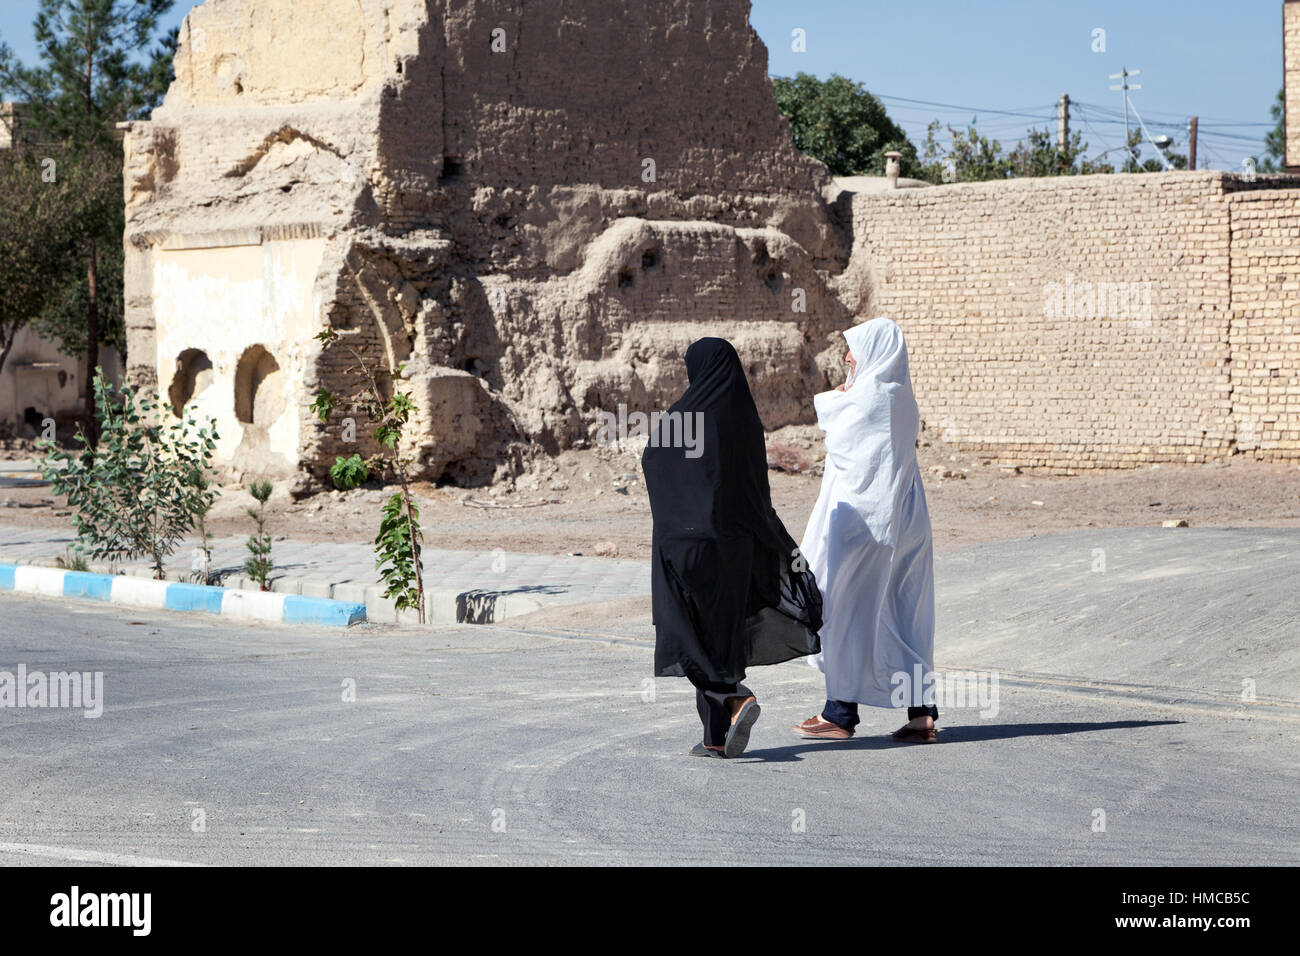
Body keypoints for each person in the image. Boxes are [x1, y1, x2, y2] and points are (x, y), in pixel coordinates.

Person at [642, 337, 823, 759]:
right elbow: (754, 489)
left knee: (682, 630)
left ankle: (734, 696)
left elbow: (653, 460)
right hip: (737, 545)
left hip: (686, 543)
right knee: (720, 634)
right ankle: (715, 737)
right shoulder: (744, 420)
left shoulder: (685, 416)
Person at [792, 318, 939, 743]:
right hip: (907, 521)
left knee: (843, 610)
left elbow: (838, 437)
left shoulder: (870, 396)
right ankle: (921, 716)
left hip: (866, 524)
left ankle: (839, 714)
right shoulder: (901, 396)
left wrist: (841, 395)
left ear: (875, 350)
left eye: (853, 350)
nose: (847, 357)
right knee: (906, 612)